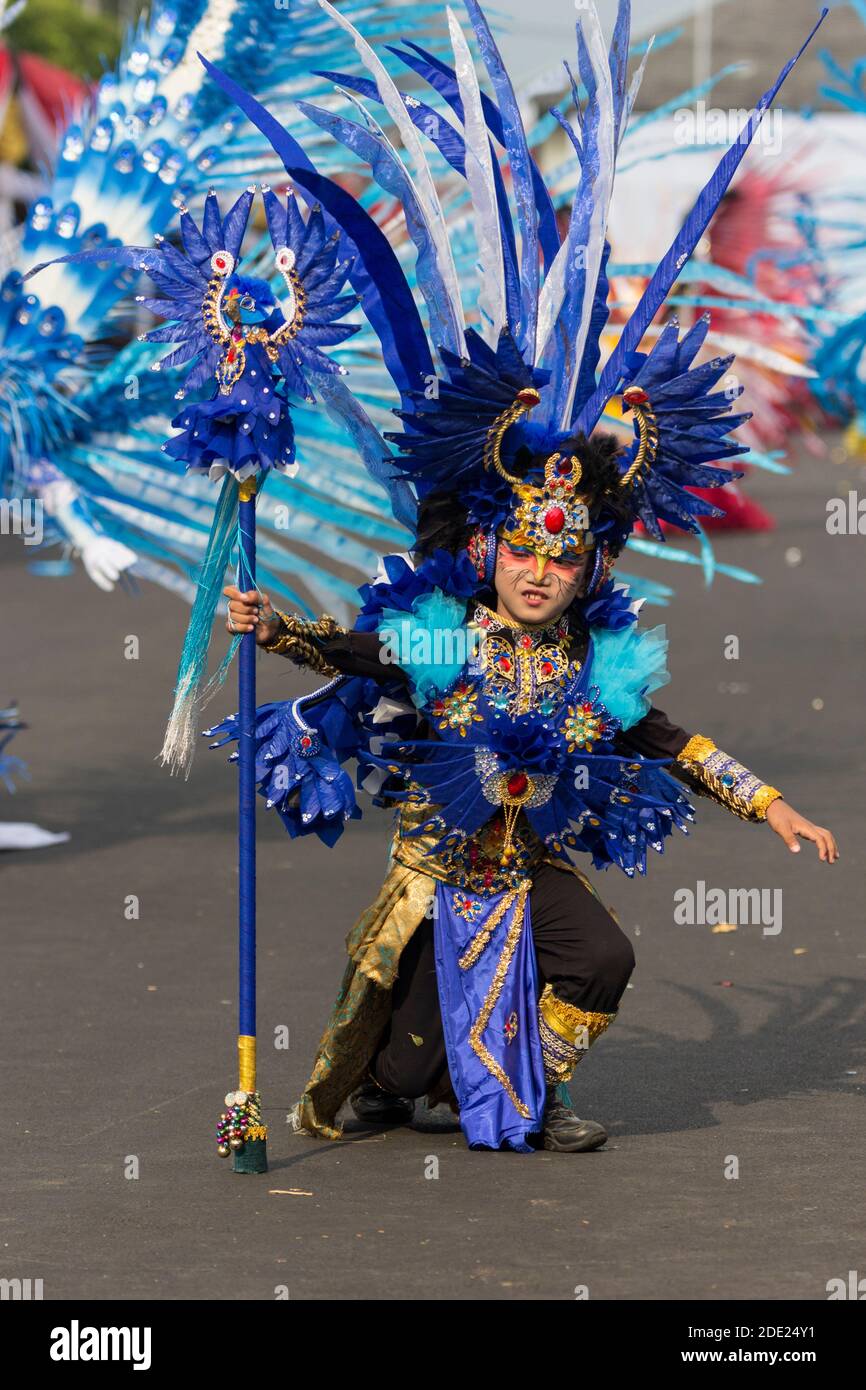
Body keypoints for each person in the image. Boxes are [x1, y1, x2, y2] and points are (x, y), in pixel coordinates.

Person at [204, 0, 835, 1153]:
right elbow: (368, 654)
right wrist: (274, 624)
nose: (541, 573)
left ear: (587, 563)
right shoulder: (450, 636)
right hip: (434, 866)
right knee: (388, 1044)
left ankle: (529, 1098)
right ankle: (405, 1075)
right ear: (487, 552)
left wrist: (768, 802)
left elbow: (663, 741)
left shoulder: (592, 659)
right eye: (524, 552)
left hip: (523, 865)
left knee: (602, 956)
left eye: (563, 556)